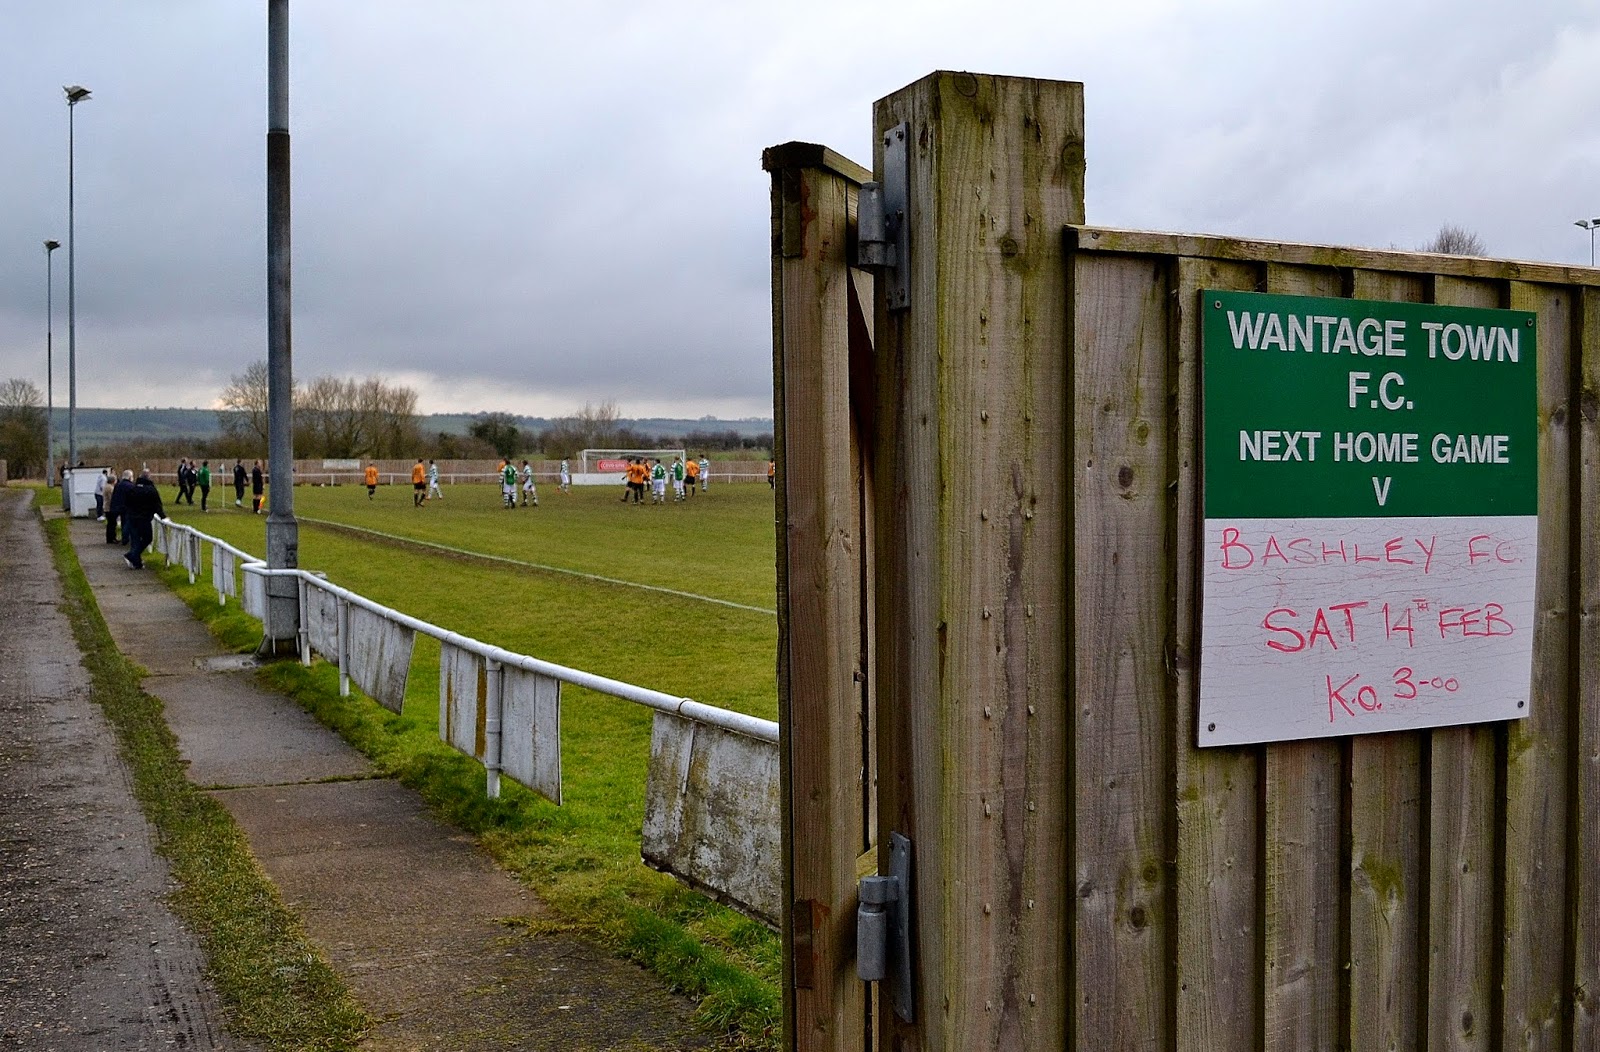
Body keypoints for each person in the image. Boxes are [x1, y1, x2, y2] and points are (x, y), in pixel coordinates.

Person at [122, 470, 166, 570]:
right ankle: (131, 555)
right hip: (144, 518)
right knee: (147, 538)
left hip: (132, 518)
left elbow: (127, 503)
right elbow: (157, 506)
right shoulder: (151, 490)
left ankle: (137, 563)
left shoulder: (132, 489)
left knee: (136, 540)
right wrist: (163, 517)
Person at [105, 470, 129, 544]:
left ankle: (111, 538)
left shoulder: (107, 486)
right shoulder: (110, 488)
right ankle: (111, 538)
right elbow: (112, 497)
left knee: (111, 524)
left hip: (107, 507)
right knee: (112, 524)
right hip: (109, 508)